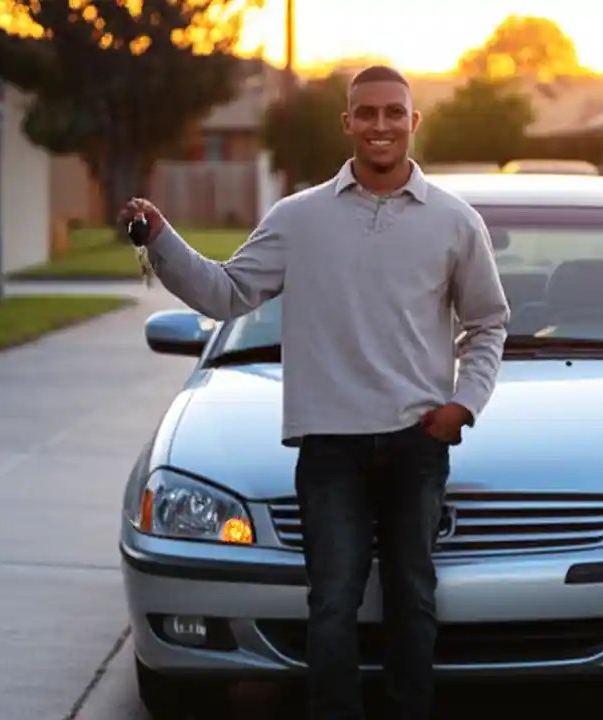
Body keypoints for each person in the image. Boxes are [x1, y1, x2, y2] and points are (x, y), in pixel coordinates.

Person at [117, 65, 510, 720]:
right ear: (347, 123)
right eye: (367, 113)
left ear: (413, 122)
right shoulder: (299, 219)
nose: (380, 125)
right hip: (331, 447)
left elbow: (488, 322)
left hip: (418, 443)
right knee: (332, 601)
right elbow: (226, 292)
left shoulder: (453, 221)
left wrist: (463, 404)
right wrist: (161, 239)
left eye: (393, 113)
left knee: (413, 597)